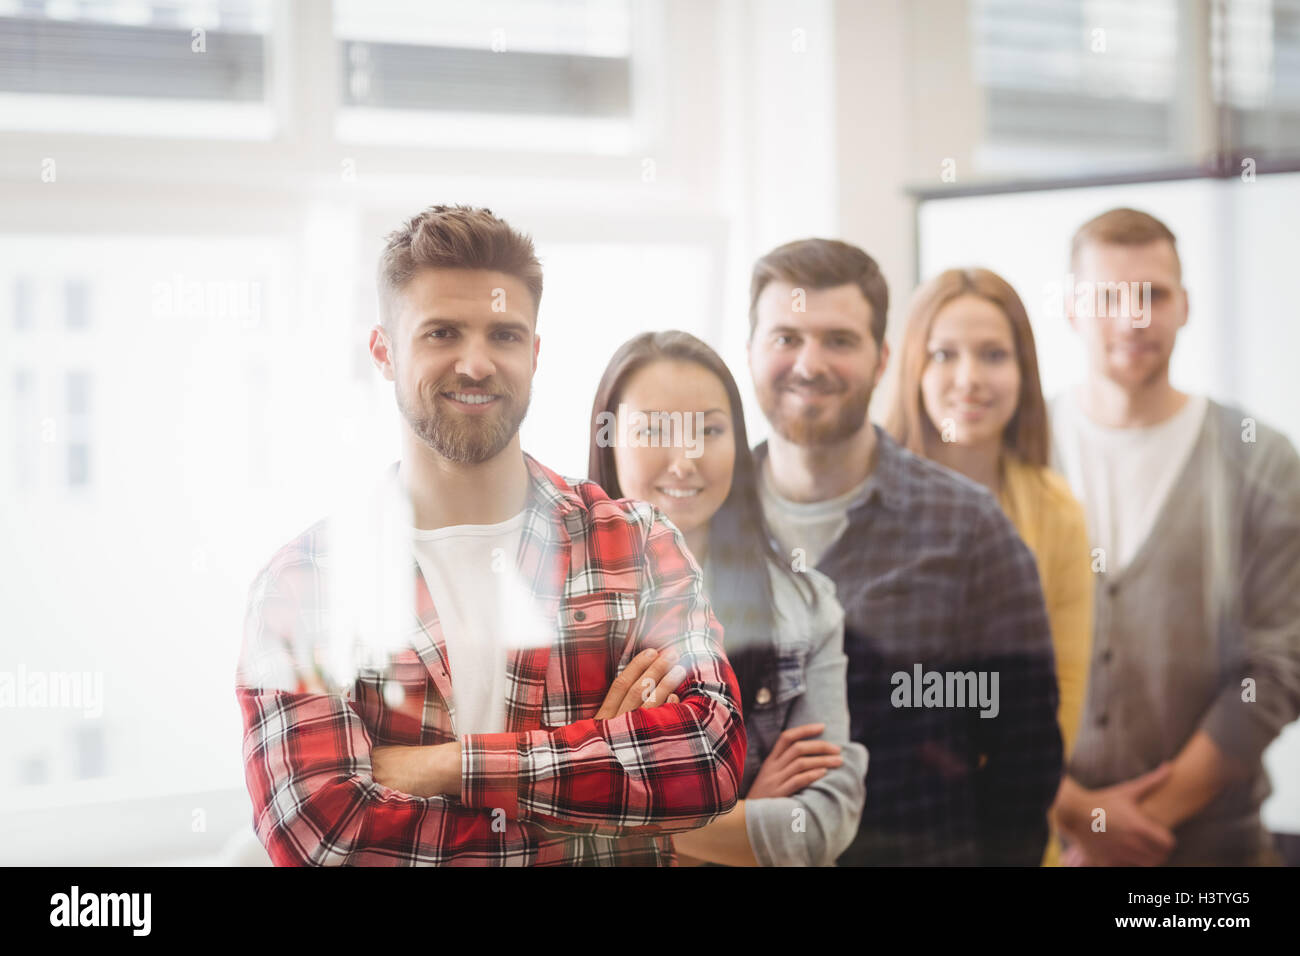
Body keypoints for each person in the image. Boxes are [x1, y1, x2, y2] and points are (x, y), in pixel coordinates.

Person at [235, 204, 747, 866]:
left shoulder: (638, 545)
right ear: (384, 353)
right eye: (443, 332)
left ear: (534, 354)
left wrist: (449, 767)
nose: (475, 364)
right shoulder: (302, 588)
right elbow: (324, 838)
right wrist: (600, 795)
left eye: (504, 336)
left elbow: (709, 759)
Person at [745, 238, 1062, 866]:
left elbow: (1024, 764)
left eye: (839, 340)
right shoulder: (700, 528)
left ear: (883, 356)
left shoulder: (968, 530)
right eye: (786, 338)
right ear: (751, 350)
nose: (810, 364)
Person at [1048, 207, 1300, 866]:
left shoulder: (1263, 462)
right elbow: (967, 666)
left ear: (1184, 306)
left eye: (1153, 295)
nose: (1133, 317)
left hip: (1219, 857)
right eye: (1108, 297)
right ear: (1073, 308)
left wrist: (1126, 831)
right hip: (1041, 842)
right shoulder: (1015, 456)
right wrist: (1078, 817)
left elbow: (1277, 670)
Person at [587, 330, 867, 866]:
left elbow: (824, 821)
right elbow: (528, 814)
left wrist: (612, 806)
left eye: (710, 429)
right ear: (609, 440)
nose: (686, 459)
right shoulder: (550, 604)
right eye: (654, 430)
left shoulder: (805, 607)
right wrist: (741, 815)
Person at [884, 267, 1093, 866]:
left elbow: (1062, 697)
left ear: (1023, 372)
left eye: (994, 354)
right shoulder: (863, 497)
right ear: (912, 370)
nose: (969, 378)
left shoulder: (1055, 511)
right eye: (944, 354)